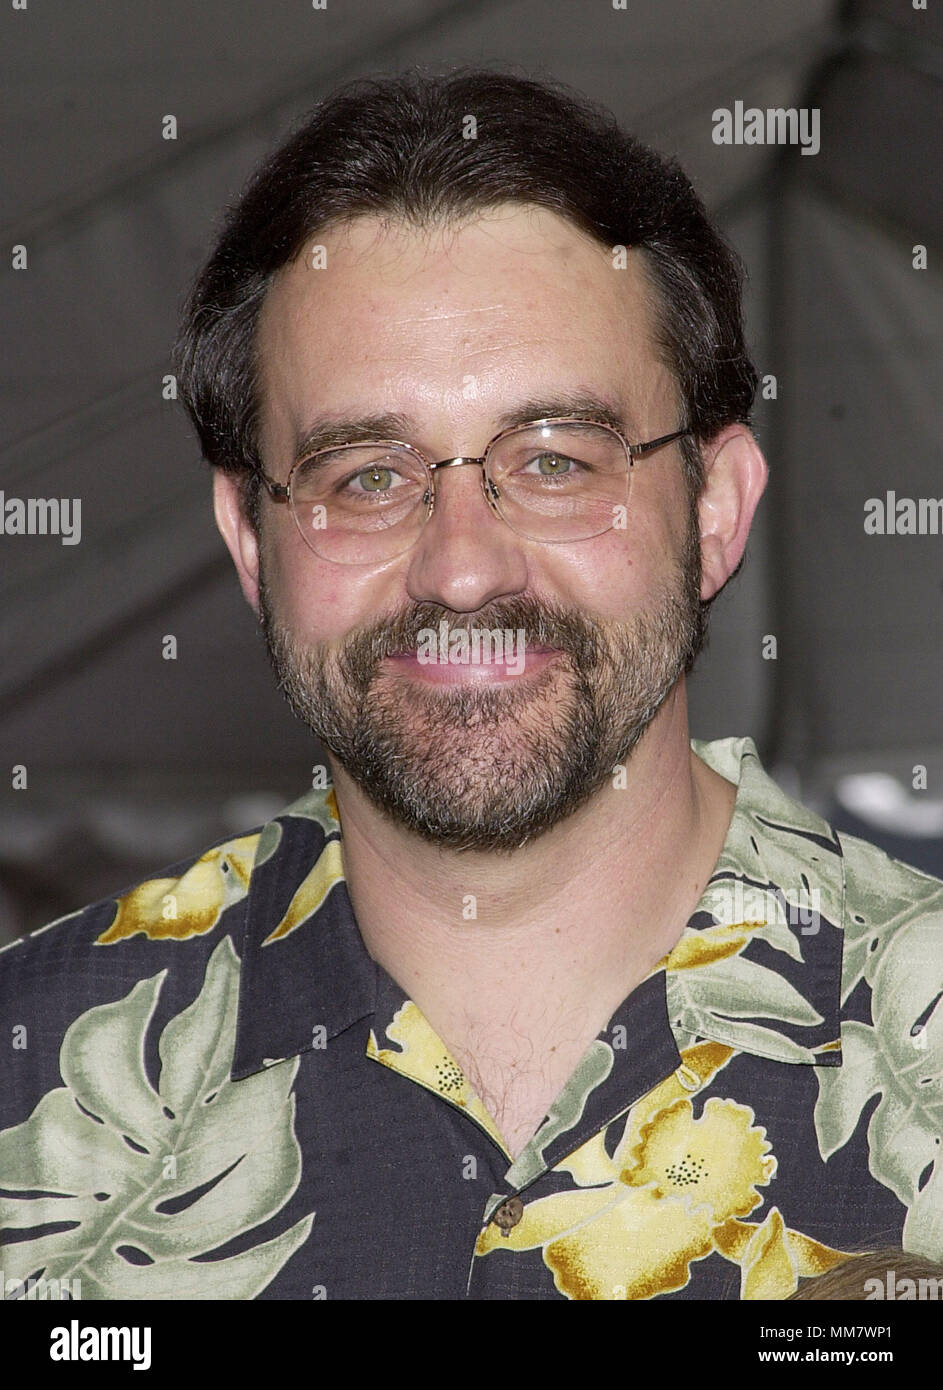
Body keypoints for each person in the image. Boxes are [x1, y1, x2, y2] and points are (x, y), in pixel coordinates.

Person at [1, 67, 941, 1303]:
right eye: (366, 476)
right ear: (249, 542)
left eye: (553, 459)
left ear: (715, 511)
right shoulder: (30, 1090)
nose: (457, 567)